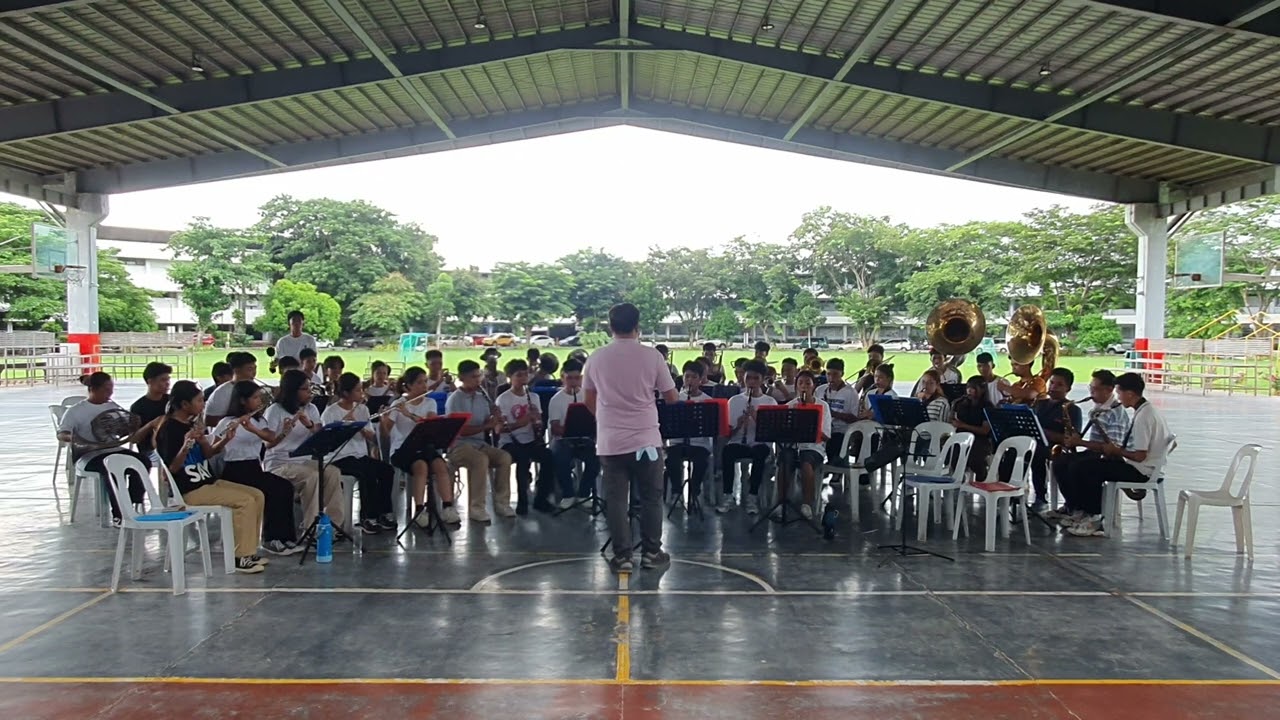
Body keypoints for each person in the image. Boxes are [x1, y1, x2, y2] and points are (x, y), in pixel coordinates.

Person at [582, 303, 678, 574]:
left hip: (611, 441)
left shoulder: (597, 357)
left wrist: (608, 417)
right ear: (638, 326)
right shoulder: (652, 357)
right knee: (650, 498)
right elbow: (671, 397)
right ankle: (651, 553)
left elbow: (588, 399)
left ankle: (622, 556)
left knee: (615, 499)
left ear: (610, 326)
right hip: (646, 440)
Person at [153, 381, 266, 573]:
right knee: (245, 501)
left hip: (207, 482)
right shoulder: (169, 429)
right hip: (190, 490)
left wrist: (223, 440)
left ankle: (249, 550)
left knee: (257, 495)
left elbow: (208, 454)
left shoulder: (191, 424)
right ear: (184, 404)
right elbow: (172, 468)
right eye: (198, 401)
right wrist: (186, 445)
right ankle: (240, 557)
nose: (203, 404)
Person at [1058, 372, 1171, 537]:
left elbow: (1140, 456)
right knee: (1082, 465)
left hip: (1142, 471)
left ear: (1130, 394)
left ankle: (1094, 518)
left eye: (1119, 393)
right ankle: (1083, 511)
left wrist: (1117, 451)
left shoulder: (1143, 417)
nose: (1118, 397)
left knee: (1086, 468)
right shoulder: (1148, 410)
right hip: (1143, 467)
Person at [213, 380, 302, 555]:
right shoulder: (227, 421)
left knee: (284, 487)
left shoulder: (258, 420)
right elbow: (215, 448)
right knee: (275, 489)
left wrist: (283, 431)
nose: (259, 401)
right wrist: (228, 435)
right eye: (255, 398)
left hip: (253, 467)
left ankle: (286, 538)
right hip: (234, 470)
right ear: (242, 401)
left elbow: (270, 438)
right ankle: (271, 539)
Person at [58, 372, 157, 524]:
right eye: (106, 389)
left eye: (111, 388)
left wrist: (128, 427)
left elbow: (124, 428)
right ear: (93, 389)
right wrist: (80, 440)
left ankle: (132, 504)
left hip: (112, 450)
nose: (110, 392)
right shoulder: (75, 411)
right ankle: (119, 515)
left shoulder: (112, 406)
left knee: (143, 461)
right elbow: (62, 434)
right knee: (113, 469)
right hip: (89, 455)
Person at [263, 369, 348, 533]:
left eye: (310, 388)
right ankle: (311, 528)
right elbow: (268, 444)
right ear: (292, 390)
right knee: (312, 477)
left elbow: (319, 434)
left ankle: (332, 525)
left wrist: (308, 424)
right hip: (279, 462)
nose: (309, 392)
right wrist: (285, 432)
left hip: (304, 459)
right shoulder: (275, 410)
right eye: (304, 389)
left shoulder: (312, 409)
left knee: (332, 473)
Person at [1045, 369, 1131, 522]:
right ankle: (1072, 505)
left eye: (1095, 389)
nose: (1091, 392)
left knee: (1078, 466)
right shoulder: (1097, 409)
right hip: (1095, 452)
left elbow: (1112, 447)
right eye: (1090, 388)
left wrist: (1080, 442)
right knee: (1060, 462)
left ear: (1109, 390)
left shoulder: (1115, 413)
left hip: (1111, 457)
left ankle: (1088, 512)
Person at [324, 372, 397, 534]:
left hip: (359, 455)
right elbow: (328, 441)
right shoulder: (330, 412)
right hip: (339, 457)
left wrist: (359, 426)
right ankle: (367, 517)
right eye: (357, 390)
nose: (361, 394)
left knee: (386, 470)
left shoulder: (363, 409)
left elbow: (372, 437)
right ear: (345, 393)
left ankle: (384, 512)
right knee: (367, 473)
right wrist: (344, 425)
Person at [385, 367, 458, 526]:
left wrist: (409, 414)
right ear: (408, 386)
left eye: (425, 381)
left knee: (440, 465)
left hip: (424, 446)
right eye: (419, 382)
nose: (424, 386)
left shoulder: (430, 402)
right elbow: (386, 431)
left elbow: (430, 423)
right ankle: (419, 511)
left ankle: (447, 507)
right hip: (402, 450)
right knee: (421, 467)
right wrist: (385, 417)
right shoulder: (398, 403)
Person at [446, 360, 514, 523]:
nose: (478, 381)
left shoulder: (482, 397)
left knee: (504, 457)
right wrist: (487, 425)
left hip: (479, 444)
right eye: (473, 377)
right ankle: (477, 508)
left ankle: (502, 502)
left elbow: (488, 422)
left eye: (479, 376)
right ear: (462, 378)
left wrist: (496, 418)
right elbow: (460, 430)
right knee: (480, 460)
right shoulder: (455, 399)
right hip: (459, 446)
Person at [717, 359, 778, 516]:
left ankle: (752, 497)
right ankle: (728, 496)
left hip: (760, 443)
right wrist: (738, 425)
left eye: (756, 378)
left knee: (759, 454)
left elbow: (772, 433)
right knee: (727, 452)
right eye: (748, 377)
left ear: (763, 379)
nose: (751, 382)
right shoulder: (735, 401)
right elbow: (727, 434)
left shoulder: (770, 402)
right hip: (739, 442)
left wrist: (756, 418)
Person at [495, 359, 554, 514]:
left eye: (525, 375)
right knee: (522, 457)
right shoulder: (503, 399)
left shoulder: (533, 397)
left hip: (531, 440)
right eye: (518, 375)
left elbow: (539, 422)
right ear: (510, 377)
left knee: (549, 457)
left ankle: (541, 498)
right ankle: (522, 501)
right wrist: (522, 423)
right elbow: (500, 429)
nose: (523, 379)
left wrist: (537, 423)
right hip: (510, 442)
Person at [776, 369, 832, 519]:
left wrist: (810, 421)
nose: (804, 386)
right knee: (784, 461)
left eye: (808, 383)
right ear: (796, 386)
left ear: (813, 386)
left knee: (806, 463)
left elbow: (826, 436)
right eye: (800, 383)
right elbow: (782, 431)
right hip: (794, 446)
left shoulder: (823, 406)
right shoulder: (790, 405)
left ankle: (807, 504)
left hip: (814, 447)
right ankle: (781, 502)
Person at [547, 358, 600, 507]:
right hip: (563, 440)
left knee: (595, 462)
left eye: (577, 378)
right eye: (569, 378)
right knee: (560, 459)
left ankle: (584, 493)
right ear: (563, 378)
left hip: (585, 439)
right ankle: (568, 493)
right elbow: (555, 428)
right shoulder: (556, 400)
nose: (573, 382)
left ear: (582, 379)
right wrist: (569, 428)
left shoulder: (589, 396)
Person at [1029, 368, 1082, 514]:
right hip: (1038, 444)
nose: (1053, 387)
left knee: (1037, 453)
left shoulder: (1073, 409)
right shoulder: (1040, 404)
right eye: (1051, 383)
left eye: (1059, 385)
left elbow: (1072, 437)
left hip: (1058, 448)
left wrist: (1045, 433)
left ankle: (1040, 497)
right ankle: (1013, 492)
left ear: (1068, 389)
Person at [665, 360, 713, 505]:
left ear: (701, 379)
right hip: (678, 442)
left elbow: (711, 428)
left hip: (699, 444)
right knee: (671, 458)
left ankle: (695, 491)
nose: (690, 380)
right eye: (687, 377)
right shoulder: (675, 398)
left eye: (693, 377)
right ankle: (676, 492)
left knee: (701, 461)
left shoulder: (707, 401)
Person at [816, 358, 858, 470]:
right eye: (828, 374)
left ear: (842, 374)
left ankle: (835, 468)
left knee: (835, 440)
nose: (831, 378)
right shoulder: (820, 390)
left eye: (835, 374)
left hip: (841, 430)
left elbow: (854, 418)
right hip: (824, 429)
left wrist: (833, 414)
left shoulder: (851, 393)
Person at [951, 375, 994, 479]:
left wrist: (963, 425)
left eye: (973, 388)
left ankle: (981, 479)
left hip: (979, 440)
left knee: (975, 459)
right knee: (953, 454)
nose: (969, 391)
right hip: (962, 437)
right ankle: (958, 481)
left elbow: (985, 430)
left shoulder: (987, 406)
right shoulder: (961, 403)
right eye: (968, 388)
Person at [129, 361, 172, 460]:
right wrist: (151, 424)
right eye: (163, 380)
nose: (167, 383)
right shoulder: (138, 407)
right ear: (150, 381)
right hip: (150, 451)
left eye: (168, 379)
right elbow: (134, 438)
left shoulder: (172, 401)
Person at [205, 352, 258, 424]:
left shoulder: (255, 387)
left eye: (255, 368)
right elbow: (209, 421)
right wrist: (237, 420)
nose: (254, 372)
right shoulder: (221, 392)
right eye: (249, 369)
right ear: (236, 370)